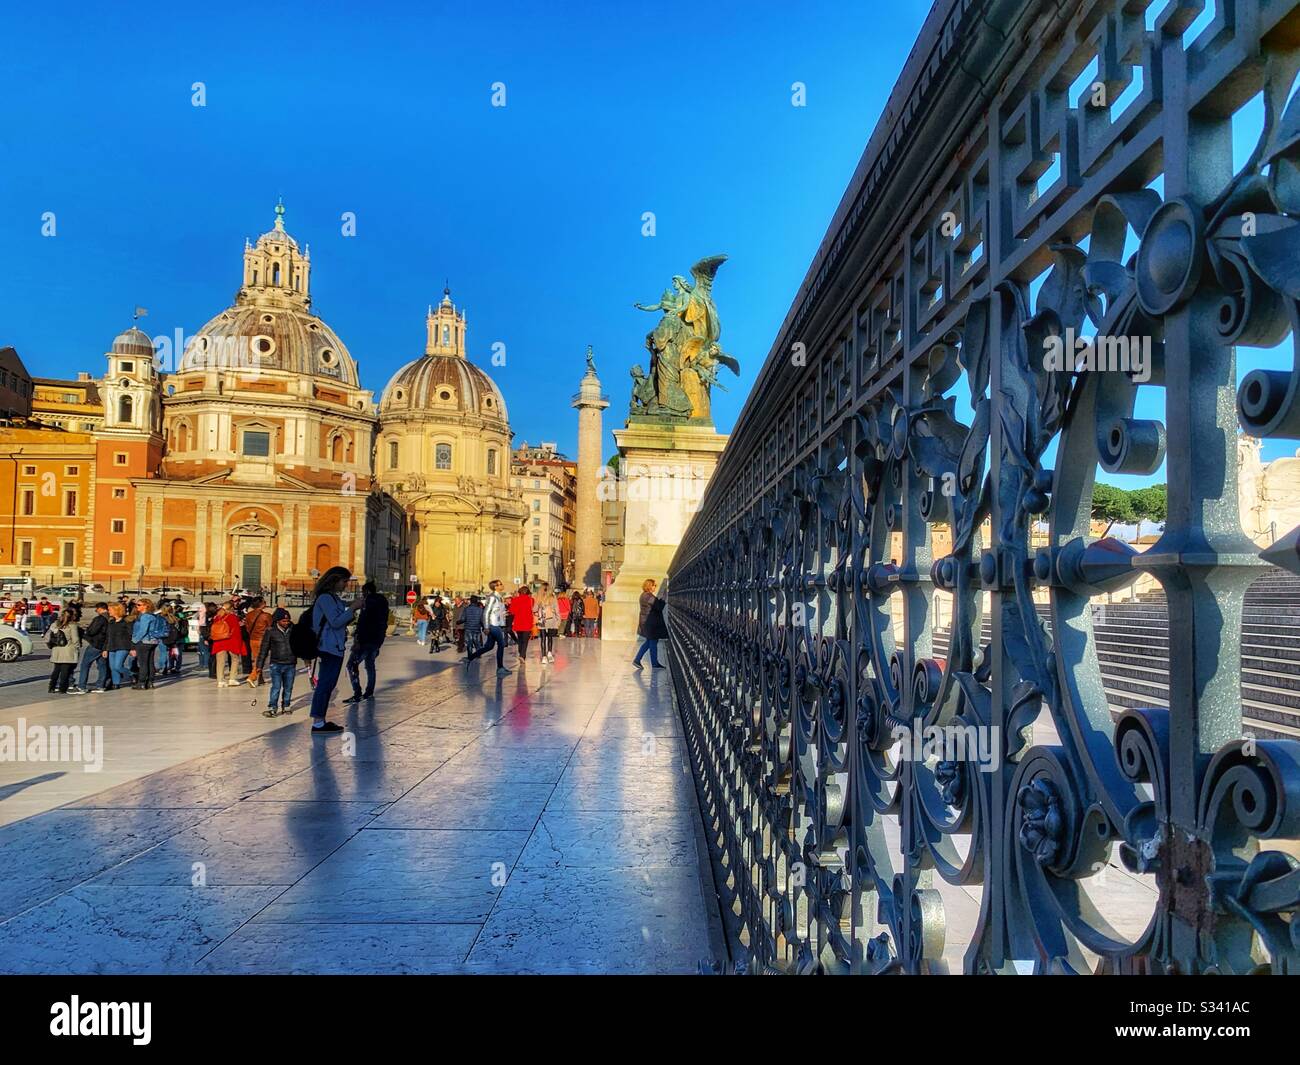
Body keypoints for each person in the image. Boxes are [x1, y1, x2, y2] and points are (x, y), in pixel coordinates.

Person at [310, 566, 363, 732]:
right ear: (335, 580)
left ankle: (320, 720)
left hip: (335, 646)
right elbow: (335, 621)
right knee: (325, 684)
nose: (346, 585)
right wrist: (353, 608)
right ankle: (318, 722)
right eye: (344, 581)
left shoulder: (333, 598)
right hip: (328, 646)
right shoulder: (326, 598)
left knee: (329, 684)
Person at [345, 580, 389, 703]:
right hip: (377, 640)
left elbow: (363, 623)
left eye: (363, 591)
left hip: (365, 641)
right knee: (370, 666)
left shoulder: (368, 603)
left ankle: (357, 693)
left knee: (351, 665)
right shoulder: (383, 602)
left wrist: (357, 640)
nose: (362, 594)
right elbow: (383, 623)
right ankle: (369, 692)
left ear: (367, 591)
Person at [256, 608, 298, 717]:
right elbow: (264, 649)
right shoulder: (271, 631)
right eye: (283, 621)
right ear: (278, 621)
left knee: (288, 687)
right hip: (276, 664)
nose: (286, 623)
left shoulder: (294, 630)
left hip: (290, 663)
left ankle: (286, 705)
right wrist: (259, 665)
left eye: (288, 620)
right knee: (276, 687)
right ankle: (272, 707)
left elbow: (300, 646)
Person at [466, 579, 510, 676]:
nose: (502, 585)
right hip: (493, 625)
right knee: (501, 645)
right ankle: (500, 667)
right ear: (496, 587)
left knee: (489, 646)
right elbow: (486, 612)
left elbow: (497, 610)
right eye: (500, 584)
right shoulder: (492, 597)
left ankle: (470, 658)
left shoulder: (499, 597)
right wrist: (486, 627)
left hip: (497, 623)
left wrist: (504, 614)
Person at [74, 602, 111, 693]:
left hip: (96, 644)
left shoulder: (100, 619)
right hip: (104, 646)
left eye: (97, 609)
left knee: (85, 665)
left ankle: (82, 686)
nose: (96, 611)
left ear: (100, 608)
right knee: (102, 665)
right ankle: (100, 685)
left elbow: (92, 631)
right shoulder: (111, 618)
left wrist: (86, 631)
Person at [633, 578, 669, 670]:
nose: (655, 587)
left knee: (650, 642)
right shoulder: (648, 596)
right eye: (654, 585)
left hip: (648, 623)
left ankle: (639, 660)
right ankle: (653, 663)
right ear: (649, 586)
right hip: (650, 623)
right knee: (652, 642)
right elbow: (659, 606)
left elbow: (656, 605)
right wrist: (664, 597)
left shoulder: (644, 595)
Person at [210, 601, 247, 687]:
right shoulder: (233, 617)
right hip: (231, 641)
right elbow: (236, 632)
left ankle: (220, 681)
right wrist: (240, 643)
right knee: (235, 659)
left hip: (219, 641)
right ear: (231, 609)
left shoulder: (217, 617)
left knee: (220, 661)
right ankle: (232, 679)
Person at [46, 606, 82, 694]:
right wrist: (77, 647)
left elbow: (48, 636)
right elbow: (75, 639)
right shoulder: (72, 626)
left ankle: (52, 687)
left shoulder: (55, 624)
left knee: (56, 670)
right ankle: (63, 688)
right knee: (65, 671)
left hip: (57, 650)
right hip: (68, 650)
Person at [104, 601, 134, 690]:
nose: (108, 612)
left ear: (116, 610)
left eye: (110, 610)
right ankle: (116, 683)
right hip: (111, 646)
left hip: (123, 646)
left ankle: (132, 675)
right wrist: (105, 649)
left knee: (118, 666)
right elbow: (107, 636)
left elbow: (131, 635)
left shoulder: (126, 622)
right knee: (113, 667)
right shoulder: (111, 622)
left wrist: (133, 648)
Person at [243, 597, 272, 686]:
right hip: (262, 640)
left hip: (252, 639)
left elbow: (247, 628)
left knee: (256, 658)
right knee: (260, 660)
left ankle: (260, 679)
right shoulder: (266, 615)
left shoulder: (248, 615)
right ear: (261, 604)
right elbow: (270, 628)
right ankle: (252, 677)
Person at [534, 582, 560, 664]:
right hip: (551, 620)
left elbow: (534, 609)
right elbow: (557, 610)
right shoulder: (553, 597)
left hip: (542, 620)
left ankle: (544, 657)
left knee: (542, 638)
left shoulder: (538, 598)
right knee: (550, 638)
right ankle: (549, 653)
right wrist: (558, 620)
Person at [509, 585, 535, 663]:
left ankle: (521, 653)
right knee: (525, 640)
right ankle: (522, 655)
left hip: (518, 622)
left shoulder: (514, 600)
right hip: (527, 622)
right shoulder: (531, 600)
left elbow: (512, 611)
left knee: (520, 640)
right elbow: (533, 609)